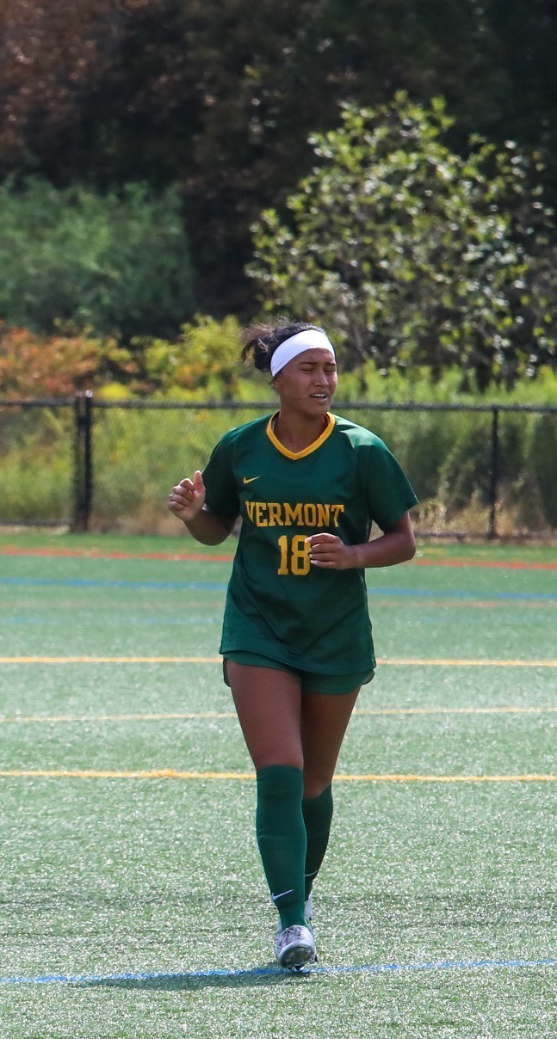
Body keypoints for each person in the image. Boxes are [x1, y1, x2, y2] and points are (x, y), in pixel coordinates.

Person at [165, 323, 417, 971]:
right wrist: (194, 512)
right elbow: (217, 529)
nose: (323, 379)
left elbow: (404, 539)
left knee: (314, 781)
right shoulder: (241, 448)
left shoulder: (362, 451)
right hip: (257, 629)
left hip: (334, 632)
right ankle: (292, 922)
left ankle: (298, 896)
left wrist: (352, 553)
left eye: (330, 367)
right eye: (308, 368)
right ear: (277, 378)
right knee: (279, 769)